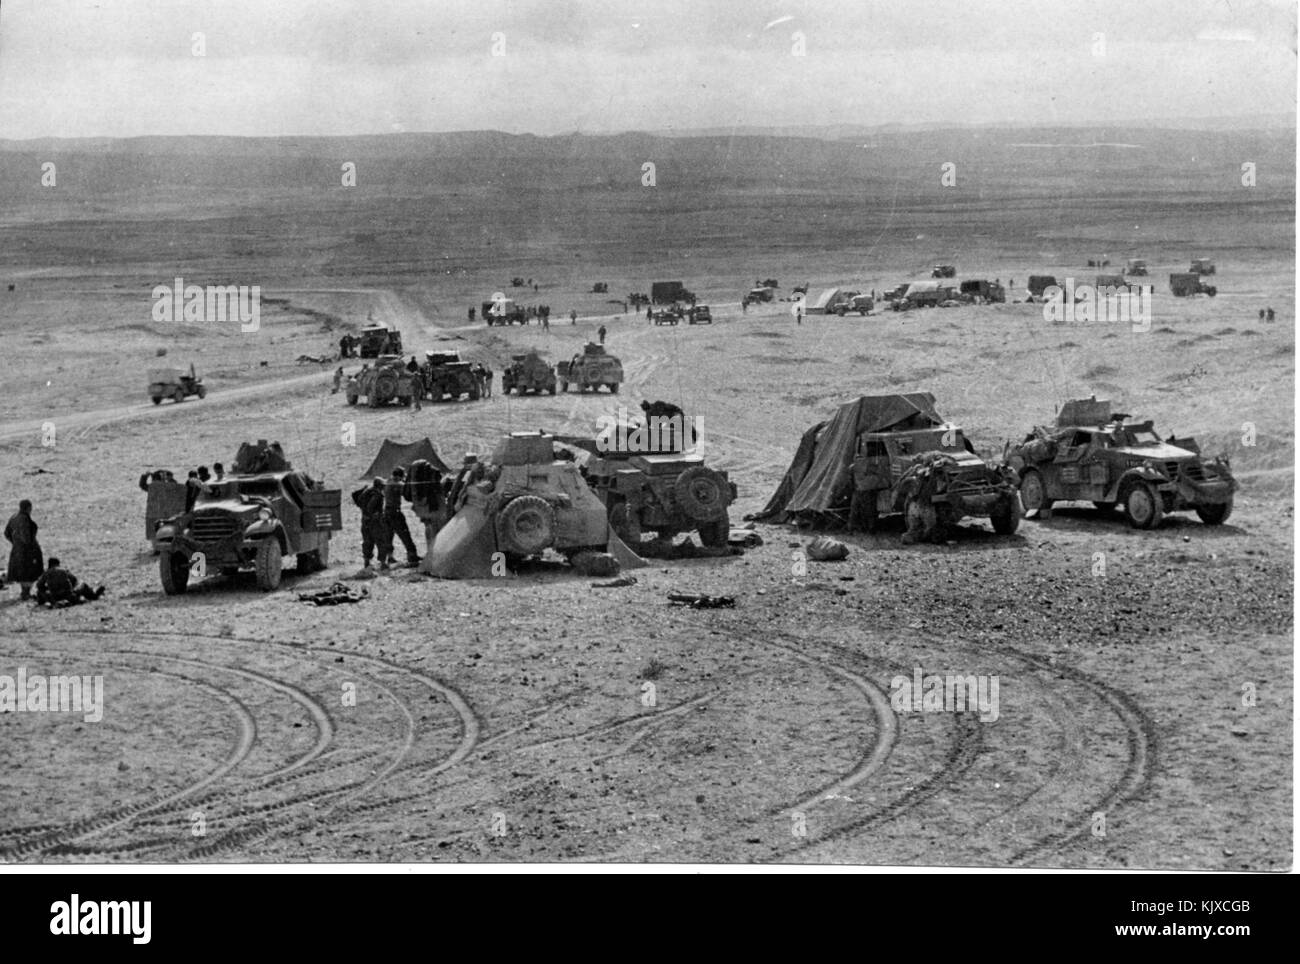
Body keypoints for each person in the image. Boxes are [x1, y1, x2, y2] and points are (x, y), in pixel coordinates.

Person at [5, 500, 43, 600]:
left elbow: (6, 533)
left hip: (17, 549)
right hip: (27, 550)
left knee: (21, 572)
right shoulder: (24, 519)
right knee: (30, 571)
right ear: (28, 508)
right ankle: (26, 593)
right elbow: (26, 537)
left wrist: (15, 542)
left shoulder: (14, 517)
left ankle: (24, 592)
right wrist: (31, 548)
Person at [382, 467, 420, 568]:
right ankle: (412, 556)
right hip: (395, 512)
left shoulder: (387, 482)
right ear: (400, 476)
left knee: (388, 536)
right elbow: (407, 493)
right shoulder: (398, 484)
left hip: (386, 512)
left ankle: (389, 557)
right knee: (405, 534)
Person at [34, 558, 104, 608]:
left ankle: (44, 602)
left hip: (54, 597)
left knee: (40, 592)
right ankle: (93, 596)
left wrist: (48, 588)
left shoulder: (46, 573)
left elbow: (39, 585)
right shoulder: (64, 570)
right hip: (69, 595)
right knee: (82, 584)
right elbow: (74, 580)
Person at [354, 478, 386, 569]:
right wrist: (374, 513)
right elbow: (371, 506)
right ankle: (383, 563)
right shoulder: (378, 495)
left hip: (365, 520)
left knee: (367, 541)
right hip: (375, 521)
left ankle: (367, 562)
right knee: (381, 541)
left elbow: (358, 500)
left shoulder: (366, 492)